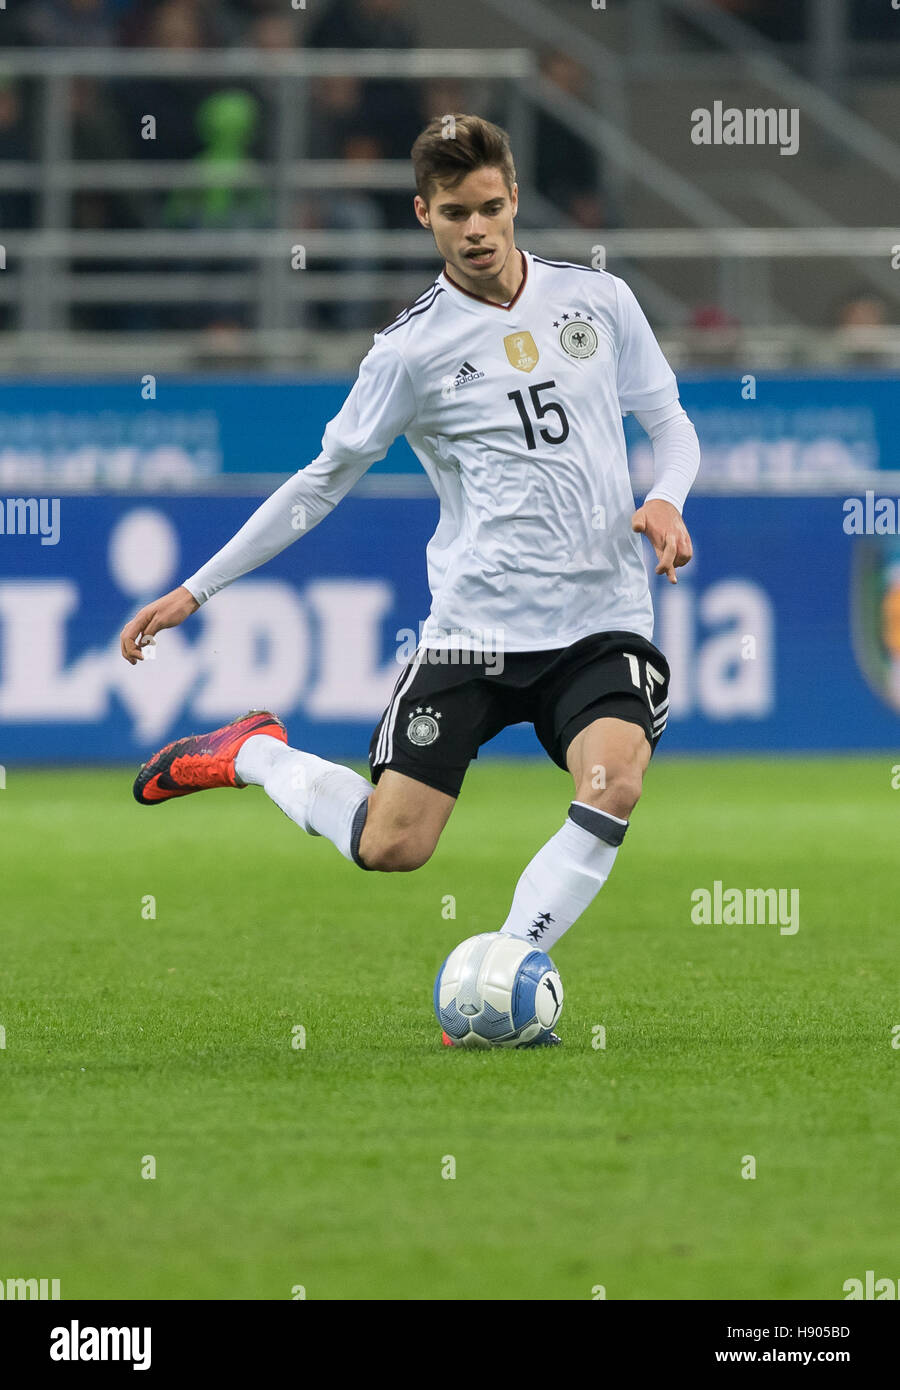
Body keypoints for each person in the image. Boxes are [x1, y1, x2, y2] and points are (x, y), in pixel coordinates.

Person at [120, 114, 700, 1046]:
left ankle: (501, 975)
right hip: (473, 631)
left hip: (602, 621)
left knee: (614, 784)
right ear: (424, 214)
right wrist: (198, 589)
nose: (477, 230)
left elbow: (670, 424)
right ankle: (254, 753)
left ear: (515, 198)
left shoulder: (599, 301)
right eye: (456, 214)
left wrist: (667, 500)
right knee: (393, 846)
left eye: (493, 208)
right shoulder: (409, 353)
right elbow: (319, 485)